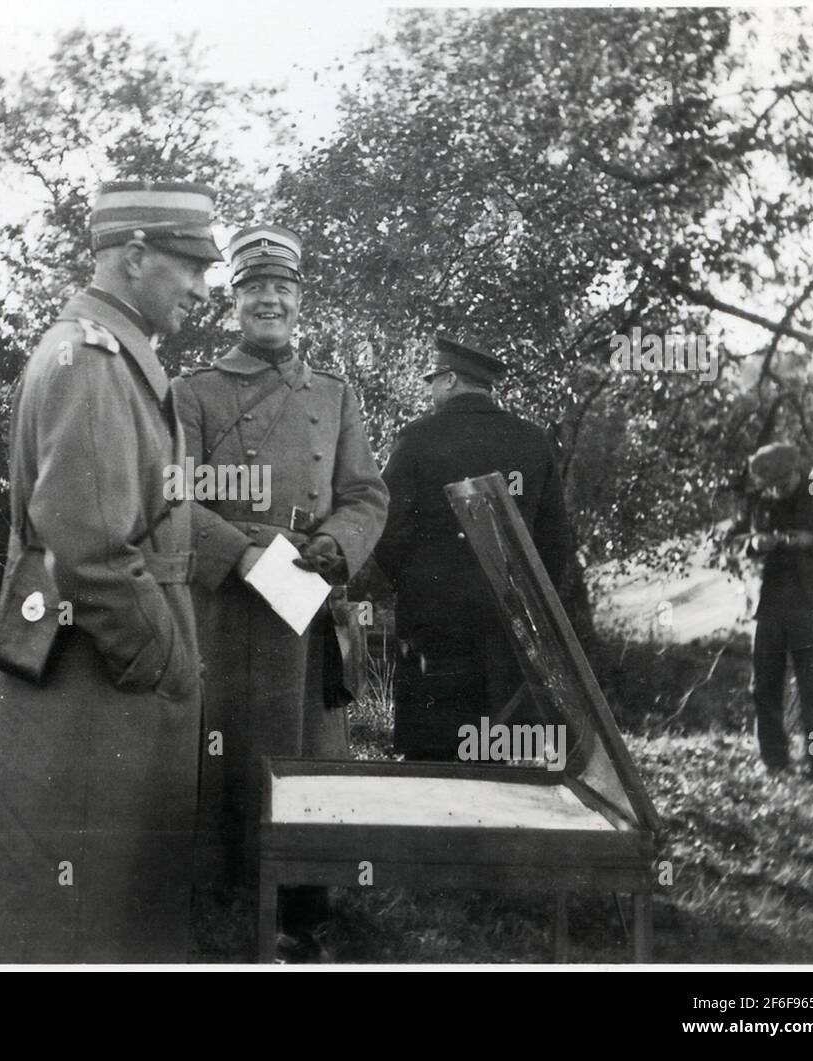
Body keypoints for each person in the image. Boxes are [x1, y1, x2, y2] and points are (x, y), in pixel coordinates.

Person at [0, 180, 223, 963]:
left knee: (89, 904)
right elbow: (92, 550)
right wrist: (164, 659)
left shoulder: (106, 352)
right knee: (78, 911)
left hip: (94, 674)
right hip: (96, 680)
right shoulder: (93, 362)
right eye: (190, 266)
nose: (203, 289)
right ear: (135, 256)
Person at [170, 223, 388, 961]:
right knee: (227, 746)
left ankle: (306, 911)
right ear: (234, 303)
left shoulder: (335, 393)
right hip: (231, 600)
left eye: (283, 289)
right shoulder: (194, 391)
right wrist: (236, 553)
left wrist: (337, 545)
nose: (270, 300)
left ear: (299, 303)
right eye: (256, 288)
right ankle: (218, 899)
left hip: (307, 593)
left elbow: (365, 494)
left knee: (309, 753)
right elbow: (173, 498)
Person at [374, 335, 571, 762]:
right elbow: (557, 544)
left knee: (434, 756)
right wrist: (528, 601)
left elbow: (386, 533)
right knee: (499, 753)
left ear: (448, 380)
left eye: (433, 382)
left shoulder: (416, 439)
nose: (430, 392)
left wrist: (414, 585)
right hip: (512, 624)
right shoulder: (533, 441)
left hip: (433, 623)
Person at [738, 441, 813, 780]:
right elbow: (742, 539)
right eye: (770, 485)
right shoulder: (763, 500)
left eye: (782, 482)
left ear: (796, 471)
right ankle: (775, 763)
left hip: (812, 605)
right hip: (771, 606)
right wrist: (755, 544)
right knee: (764, 687)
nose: (776, 490)